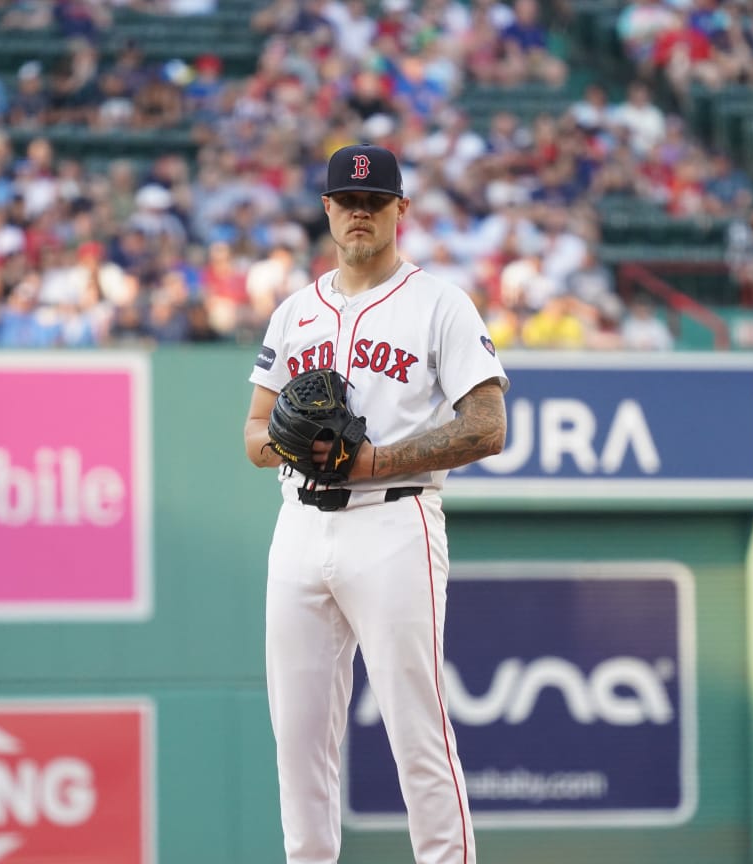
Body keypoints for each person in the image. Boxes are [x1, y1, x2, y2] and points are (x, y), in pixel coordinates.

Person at [242, 143, 508, 864]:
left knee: (417, 733)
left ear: (400, 211)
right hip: (298, 524)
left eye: (374, 202)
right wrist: (296, 448)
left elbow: (488, 427)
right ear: (327, 208)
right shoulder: (295, 311)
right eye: (347, 201)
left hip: (396, 519)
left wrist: (376, 458)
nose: (360, 213)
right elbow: (254, 435)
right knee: (297, 743)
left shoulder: (439, 304)